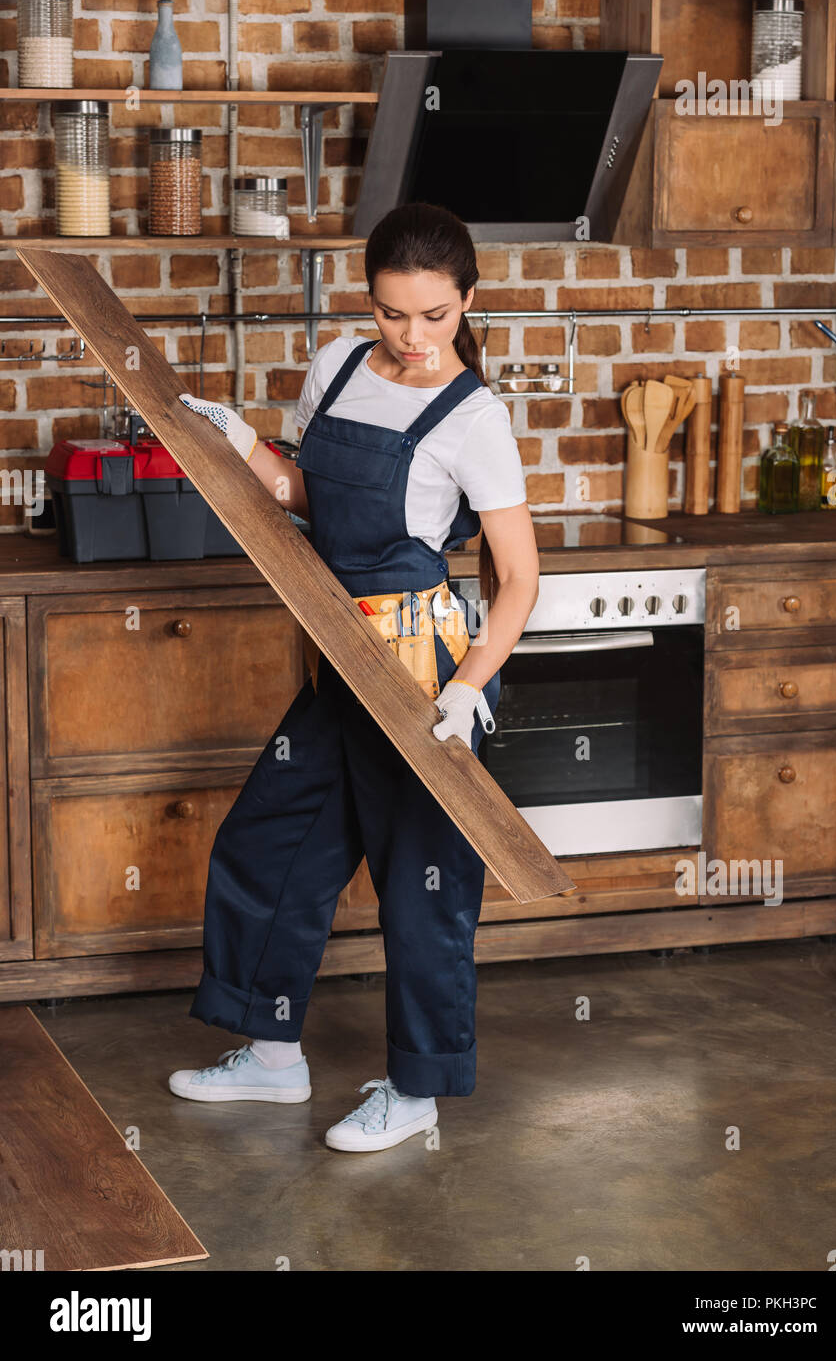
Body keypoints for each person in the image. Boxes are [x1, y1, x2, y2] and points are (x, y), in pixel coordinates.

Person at [168, 201, 539, 1151]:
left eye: (435, 316)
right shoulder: (335, 364)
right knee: (269, 843)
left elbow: (520, 577)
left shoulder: (474, 419)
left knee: (421, 884)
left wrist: (468, 687)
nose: (412, 338)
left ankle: (414, 1092)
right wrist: (236, 442)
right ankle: (270, 1056)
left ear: (466, 304)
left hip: (423, 671)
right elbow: (302, 496)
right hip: (341, 650)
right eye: (391, 313)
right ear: (366, 301)